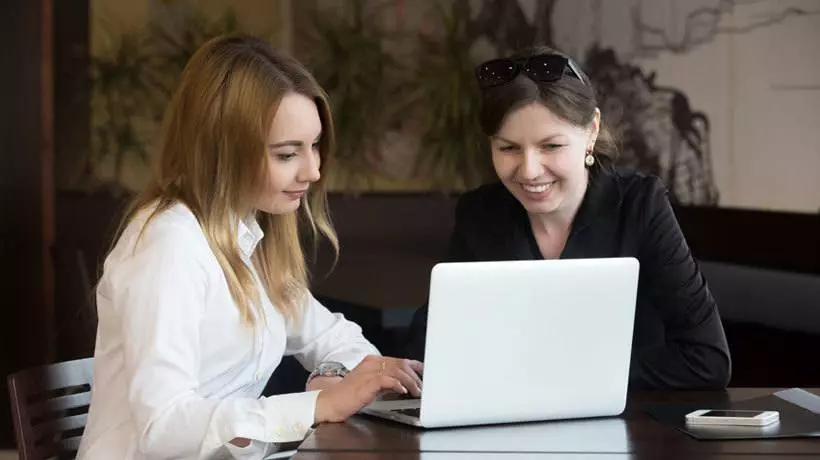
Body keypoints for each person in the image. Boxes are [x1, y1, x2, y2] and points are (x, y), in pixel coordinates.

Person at [78, 35, 422, 460]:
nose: (313, 170)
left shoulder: (251, 234)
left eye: (314, 146)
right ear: (222, 150)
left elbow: (337, 338)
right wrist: (317, 404)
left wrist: (333, 375)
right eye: (286, 154)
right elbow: (162, 429)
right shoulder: (168, 246)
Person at [404, 46, 731, 390]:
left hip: (633, 430)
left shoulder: (640, 205)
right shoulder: (481, 214)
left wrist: (552, 371)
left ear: (591, 130)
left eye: (551, 146)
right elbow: (426, 351)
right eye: (508, 148)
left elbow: (707, 360)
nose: (529, 171)